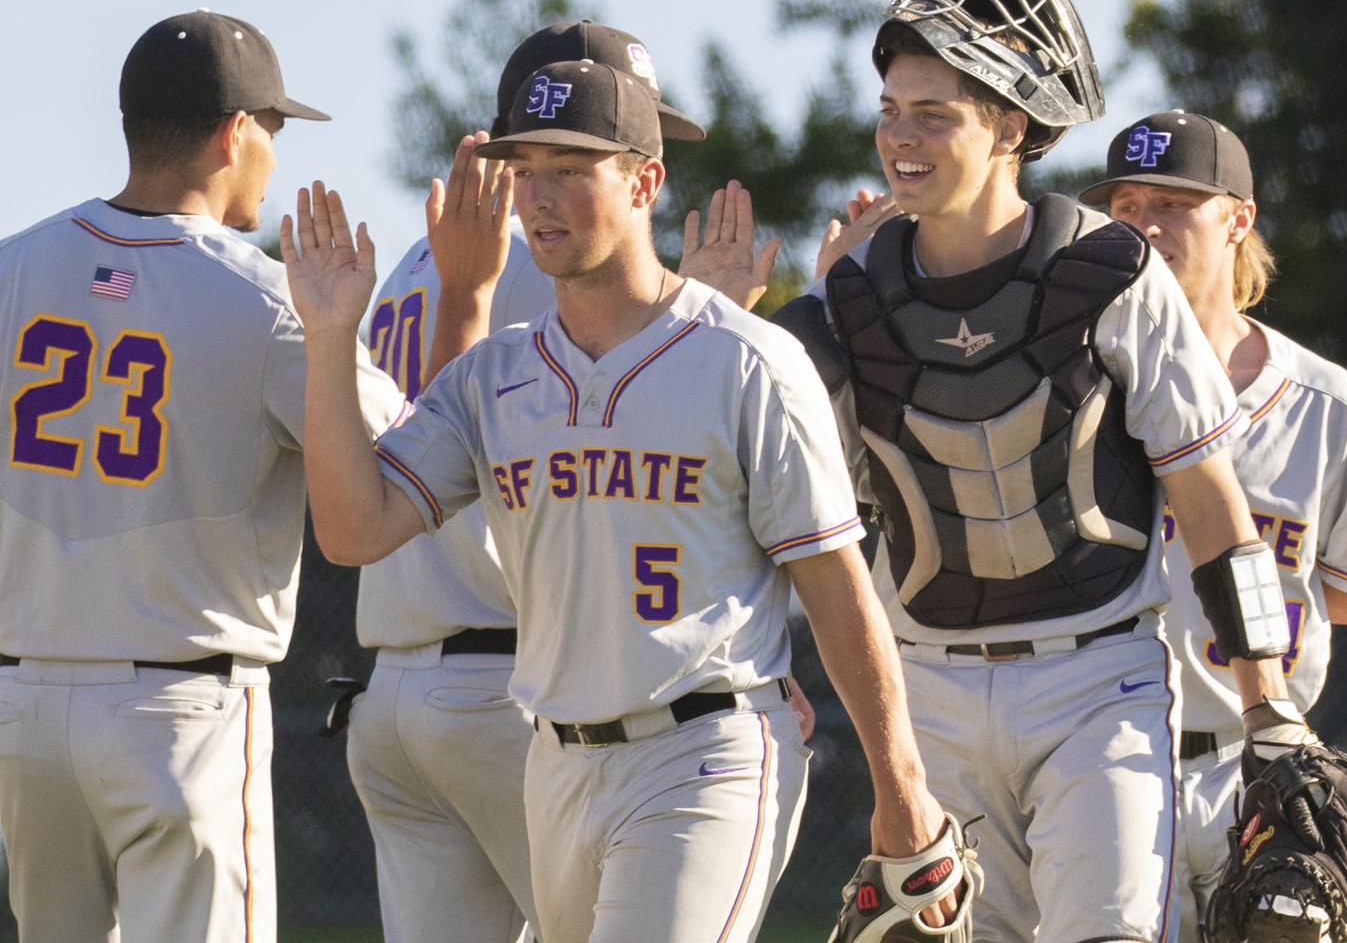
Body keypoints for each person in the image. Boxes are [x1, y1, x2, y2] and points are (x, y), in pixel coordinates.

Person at [281, 57, 956, 943]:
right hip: (553, 764)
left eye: (571, 168)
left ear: (645, 180)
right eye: (527, 172)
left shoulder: (745, 359)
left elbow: (836, 587)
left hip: (705, 750)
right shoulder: (494, 376)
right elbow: (352, 530)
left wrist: (901, 787)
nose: (540, 198)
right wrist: (331, 338)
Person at [778, 0, 1312, 942]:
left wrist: (1267, 708)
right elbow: (792, 520)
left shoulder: (1107, 273)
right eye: (891, 109)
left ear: (1009, 128)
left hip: (1096, 673)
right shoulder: (842, 305)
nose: (901, 136)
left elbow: (1208, 500)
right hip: (927, 679)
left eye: (933, 114)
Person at [345, 19, 810, 943]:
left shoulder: (412, 261)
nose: (648, 167)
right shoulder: (536, 269)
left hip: (392, 679)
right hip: (518, 684)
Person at [0, 10, 400, 941]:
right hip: (182, 707)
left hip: (22, 703)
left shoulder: (12, 270)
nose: (274, 150)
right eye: (274, 127)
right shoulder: (263, 301)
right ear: (233, 133)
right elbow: (407, 457)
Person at [1079, 109, 1347, 942]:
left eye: (1174, 204)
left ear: (1238, 218)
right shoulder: (1076, 391)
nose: (1147, 226)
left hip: (1259, 768)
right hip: (1102, 757)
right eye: (1126, 206)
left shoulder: (1324, 404)